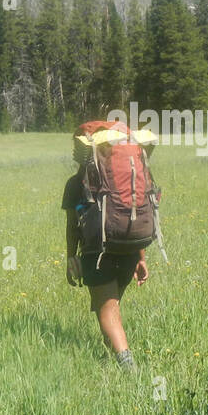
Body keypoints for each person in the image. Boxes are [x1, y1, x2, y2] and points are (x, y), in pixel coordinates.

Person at [62, 154, 148, 370]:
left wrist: (71, 258)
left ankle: (128, 366)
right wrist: (141, 258)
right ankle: (112, 362)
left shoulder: (75, 183)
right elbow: (134, 216)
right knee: (110, 307)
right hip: (129, 252)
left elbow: (72, 227)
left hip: (96, 254)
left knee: (107, 311)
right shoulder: (126, 181)